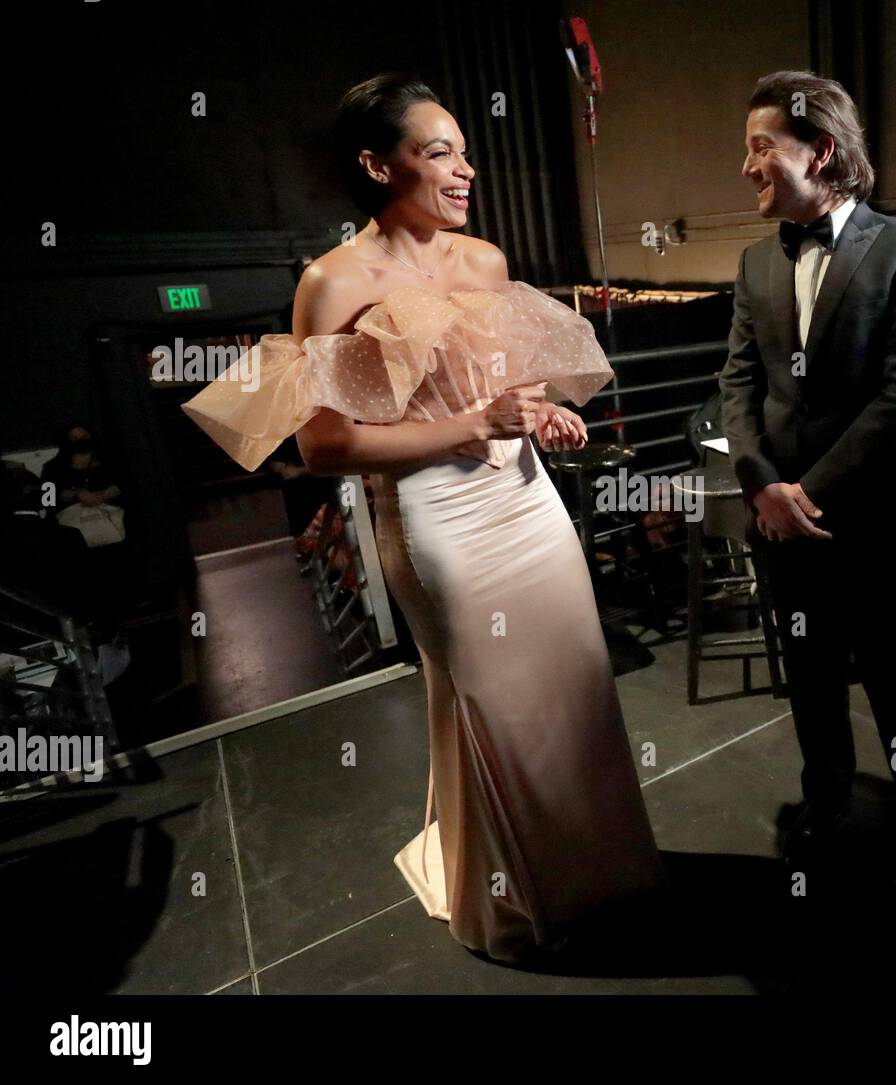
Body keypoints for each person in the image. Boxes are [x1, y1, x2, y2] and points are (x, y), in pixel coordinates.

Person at [181, 73, 665, 963]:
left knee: (574, 690)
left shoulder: (481, 260)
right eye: (440, 151)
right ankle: (517, 899)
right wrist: (476, 424)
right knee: (492, 701)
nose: (466, 169)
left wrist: (535, 408)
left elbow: (503, 380)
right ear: (377, 164)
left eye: (464, 151)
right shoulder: (331, 284)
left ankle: (605, 870)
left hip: (528, 505)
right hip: (439, 523)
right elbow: (325, 448)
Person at [719, 71, 896, 869]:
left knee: (893, 672)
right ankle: (825, 799)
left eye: (761, 149)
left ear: (819, 152)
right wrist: (762, 485)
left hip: (868, 520)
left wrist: (804, 495)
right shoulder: (755, 263)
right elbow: (737, 384)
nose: (747, 167)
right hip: (776, 519)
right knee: (810, 671)